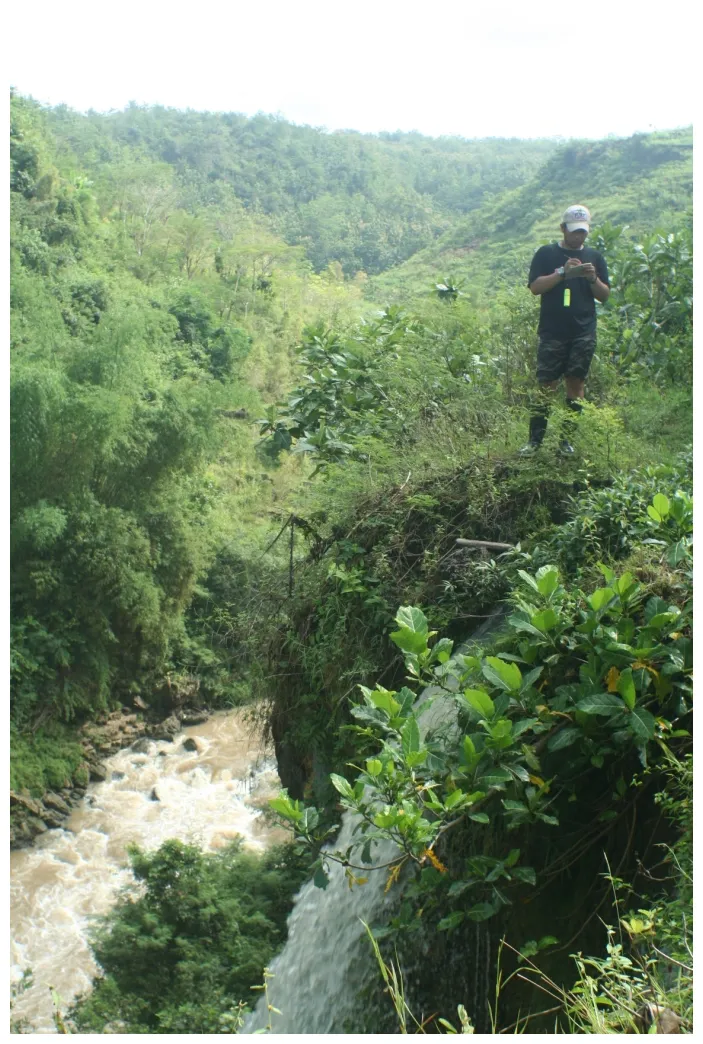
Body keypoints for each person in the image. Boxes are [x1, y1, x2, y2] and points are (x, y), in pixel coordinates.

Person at [520, 204, 610, 455]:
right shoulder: (546, 254)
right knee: (546, 384)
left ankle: (566, 442)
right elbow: (536, 287)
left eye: (582, 232)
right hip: (552, 330)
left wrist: (592, 278)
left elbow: (604, 296)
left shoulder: (595, 257)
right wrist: (563, 272)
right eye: (574, 231)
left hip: (583, 330)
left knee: (576, 383)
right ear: (562, 229)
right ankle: (534, 442)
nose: (578, 236)